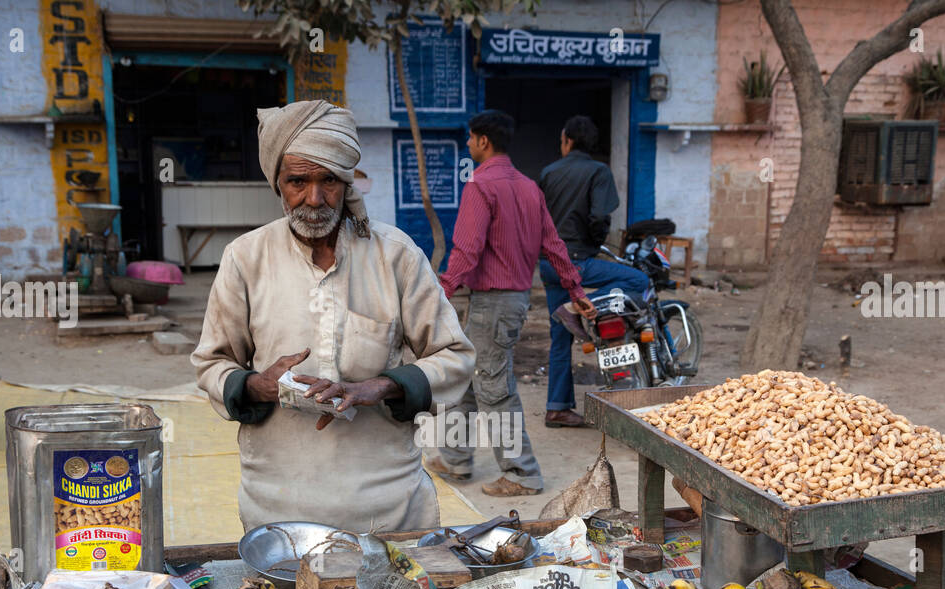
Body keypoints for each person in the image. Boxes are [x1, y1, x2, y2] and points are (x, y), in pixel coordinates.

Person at [192, 100, 475, 533]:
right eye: (297, 182)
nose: (315, 198)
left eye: (329, 180)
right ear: (278, 184)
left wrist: (379, 387)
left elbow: (454, 355)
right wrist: (257, 385)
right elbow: (212, 363)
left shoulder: (395, 254)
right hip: (278, 506)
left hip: (388, 506)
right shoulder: (245, 258)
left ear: (347, 182)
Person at [425, 109, 596, 497]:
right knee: (467, 380)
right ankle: (455, 459)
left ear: (483, 141)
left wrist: (441, 293)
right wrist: (577, 292)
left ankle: (522, 474)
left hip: (493, 305)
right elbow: (553, 246)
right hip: (513, 302)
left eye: (470, 138)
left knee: (495, 389)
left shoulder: (480, 186)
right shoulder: (529, 188)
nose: (468, 145)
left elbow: (466, 250)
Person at [538, 115, 652, 426]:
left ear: (568, 140)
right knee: (639, 280)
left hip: (549, 264)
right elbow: (600, 215)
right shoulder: (599, 171)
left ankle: (557, 407)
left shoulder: (548, 172)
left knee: (560, 338)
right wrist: (595, 239)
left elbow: (536, 220)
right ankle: (577, 307)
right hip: (579, 262)